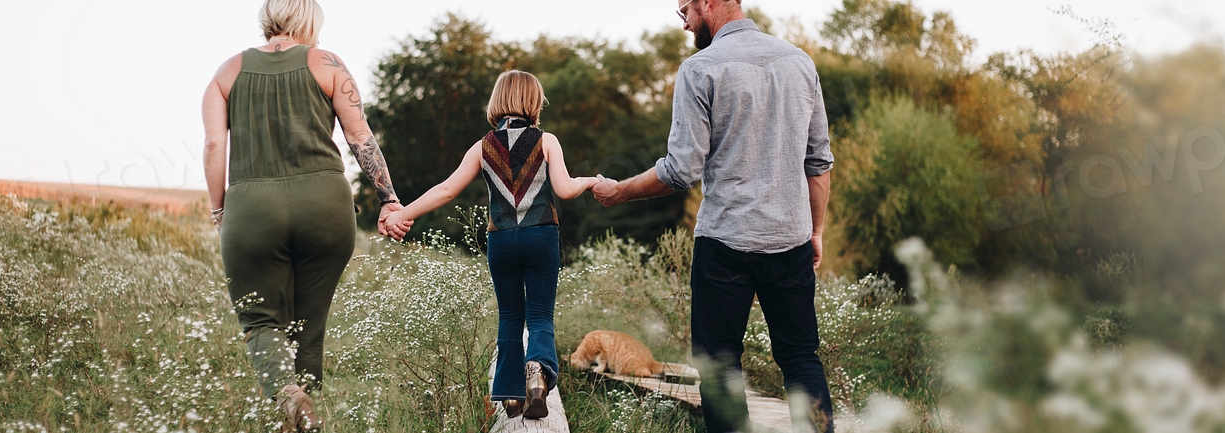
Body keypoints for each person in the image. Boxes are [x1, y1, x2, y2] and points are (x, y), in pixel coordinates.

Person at [590, 0, 836, 431]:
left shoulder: (700, 69)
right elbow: (818, 161)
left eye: (684, 9)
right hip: (790, 240)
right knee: (800, 357)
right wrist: (815, 229)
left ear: (707, 2)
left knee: (721, 365)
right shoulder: (800, 63)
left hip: (725, 245)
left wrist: (620, 191)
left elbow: (681, 169)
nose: (682, 22)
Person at [201, 0, 411, 430]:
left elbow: (213, 147)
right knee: (309, 323)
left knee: (261, 320)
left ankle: (287, 397)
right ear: (310, 20)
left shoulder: (226, 73)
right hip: (325, 205)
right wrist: (388, 198)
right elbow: (360, 136)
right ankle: (304, 409)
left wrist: (219, 208)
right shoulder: (328, 63)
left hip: (251, 208)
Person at [381, 70, 599, 420]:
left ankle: (510, 395)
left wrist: (402, 213)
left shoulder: (482, 146)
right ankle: (538, 373)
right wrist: (591, 180)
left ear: (498, 101)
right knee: (540, 316)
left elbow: (447, 190)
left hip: (500, 240)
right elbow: (565, 189)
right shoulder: (546, 141)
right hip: (540, 234)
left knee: (510, 316)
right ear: (533, 102)